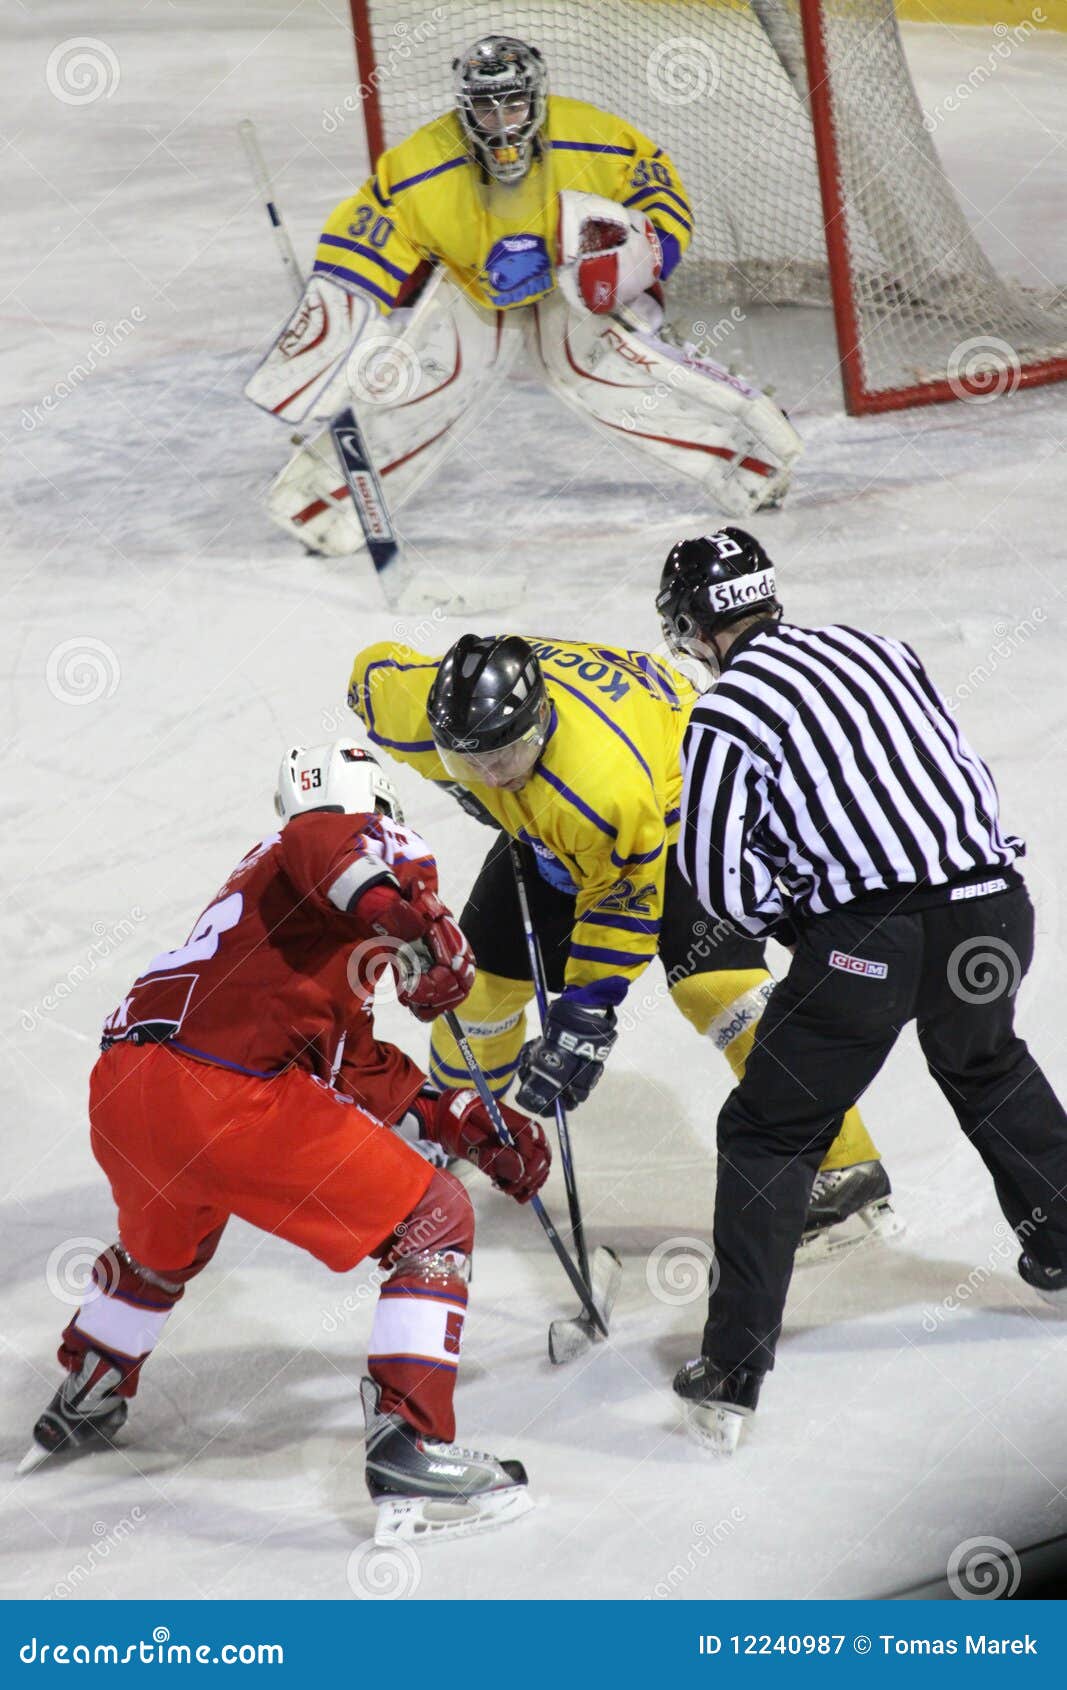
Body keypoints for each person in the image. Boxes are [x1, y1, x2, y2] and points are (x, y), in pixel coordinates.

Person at [21, 741, 549, 1543]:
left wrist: (461, 1125)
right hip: (222, 1091)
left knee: (165, 1248)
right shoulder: (350, 848)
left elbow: (350, 1065)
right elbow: (324, 841)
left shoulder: (277, 905)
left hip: (128, 1090)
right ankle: (411, 1447)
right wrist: (412, 918)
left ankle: (90, 1385)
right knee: (433, 1221)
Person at [658, 528, 1067, 1451]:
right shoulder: (880, 650)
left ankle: (730, 1371)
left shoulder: (725, 711)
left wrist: (803, 910)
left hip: (873, 940)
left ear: (695, 624)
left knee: (770, 1130)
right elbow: (950, 771)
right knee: (987, 1063)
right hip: (994, 911)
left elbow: (720, 883)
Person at [347, 634, 894, 1255]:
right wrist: (477, 782)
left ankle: (840, 1160)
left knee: (718, 988)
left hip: (681, 814)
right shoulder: (424, 708)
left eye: (507, 756)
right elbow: (370, 672)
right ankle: (463, 1126)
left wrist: (585, 1013)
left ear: (542, 721)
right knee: (481, 990)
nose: (492, 773)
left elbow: (621, 905)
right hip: (554, 827)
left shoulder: (601, 788)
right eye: (472, 760)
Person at [245, 34, 800, 561]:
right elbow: (362, 240)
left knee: (598, 369)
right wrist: (339, 320)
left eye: (513, 106)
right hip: (472, 285)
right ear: (464, 110)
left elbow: (660, 193)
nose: (502, 123)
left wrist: (636, 253)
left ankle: (753, 462)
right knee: (427, 382)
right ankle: (320, 506)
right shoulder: (421, 167)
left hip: (571, 283)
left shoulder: (592, 135)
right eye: (486, 109)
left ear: (536, 100)